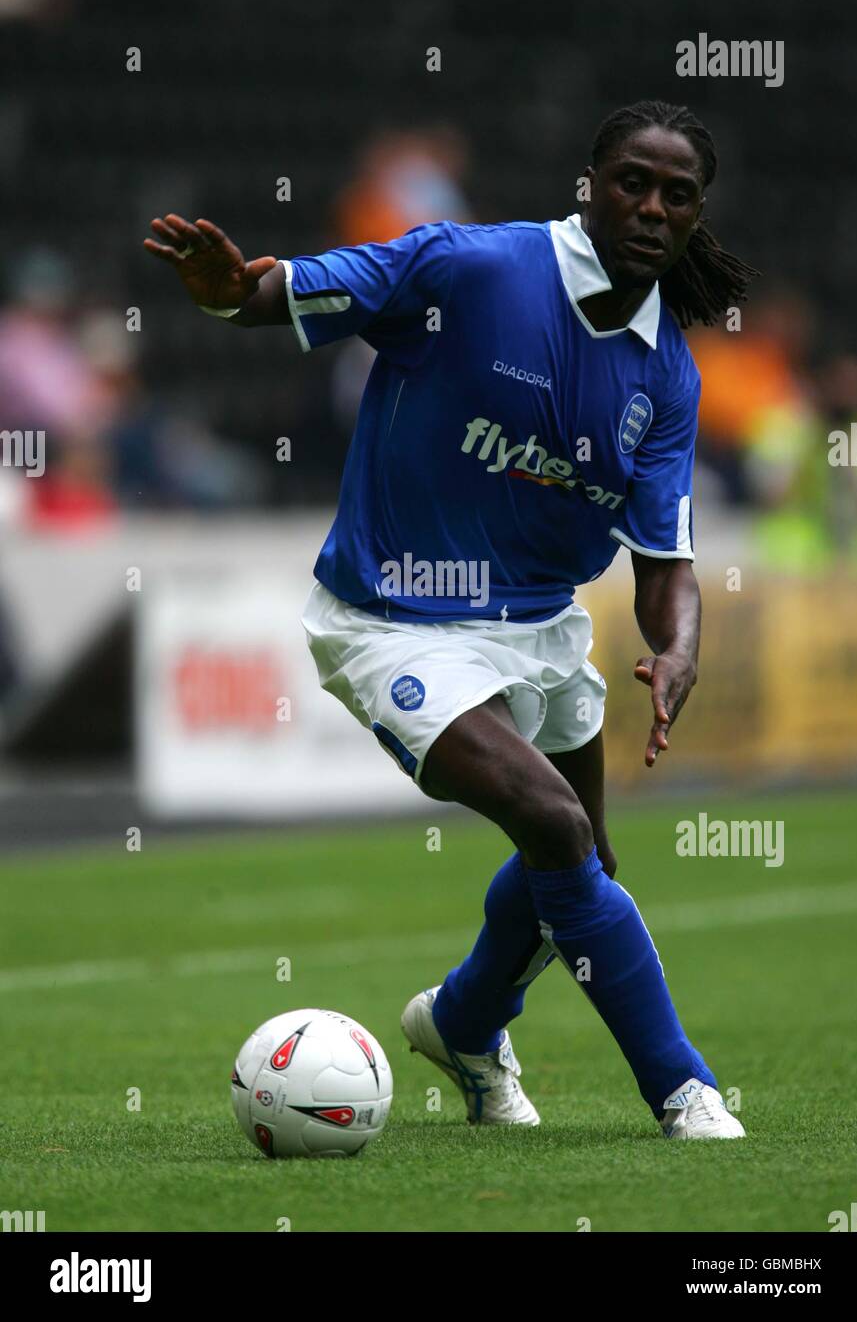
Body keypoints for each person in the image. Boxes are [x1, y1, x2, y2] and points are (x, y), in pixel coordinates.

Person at [144, 99, 758, 1140]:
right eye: (631, 183)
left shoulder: (668, 374)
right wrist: (225, 298)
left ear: (697, 214)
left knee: (582, 863)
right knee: (554, 826)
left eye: (676, 194)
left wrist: (679, 646)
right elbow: (285, 291)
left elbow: (668, 563)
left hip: (540, 627)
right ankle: (682, 1089)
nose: (651, 207)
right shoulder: (469, 270)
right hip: (391, 618)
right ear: (588, 184)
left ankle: (464, 1023)